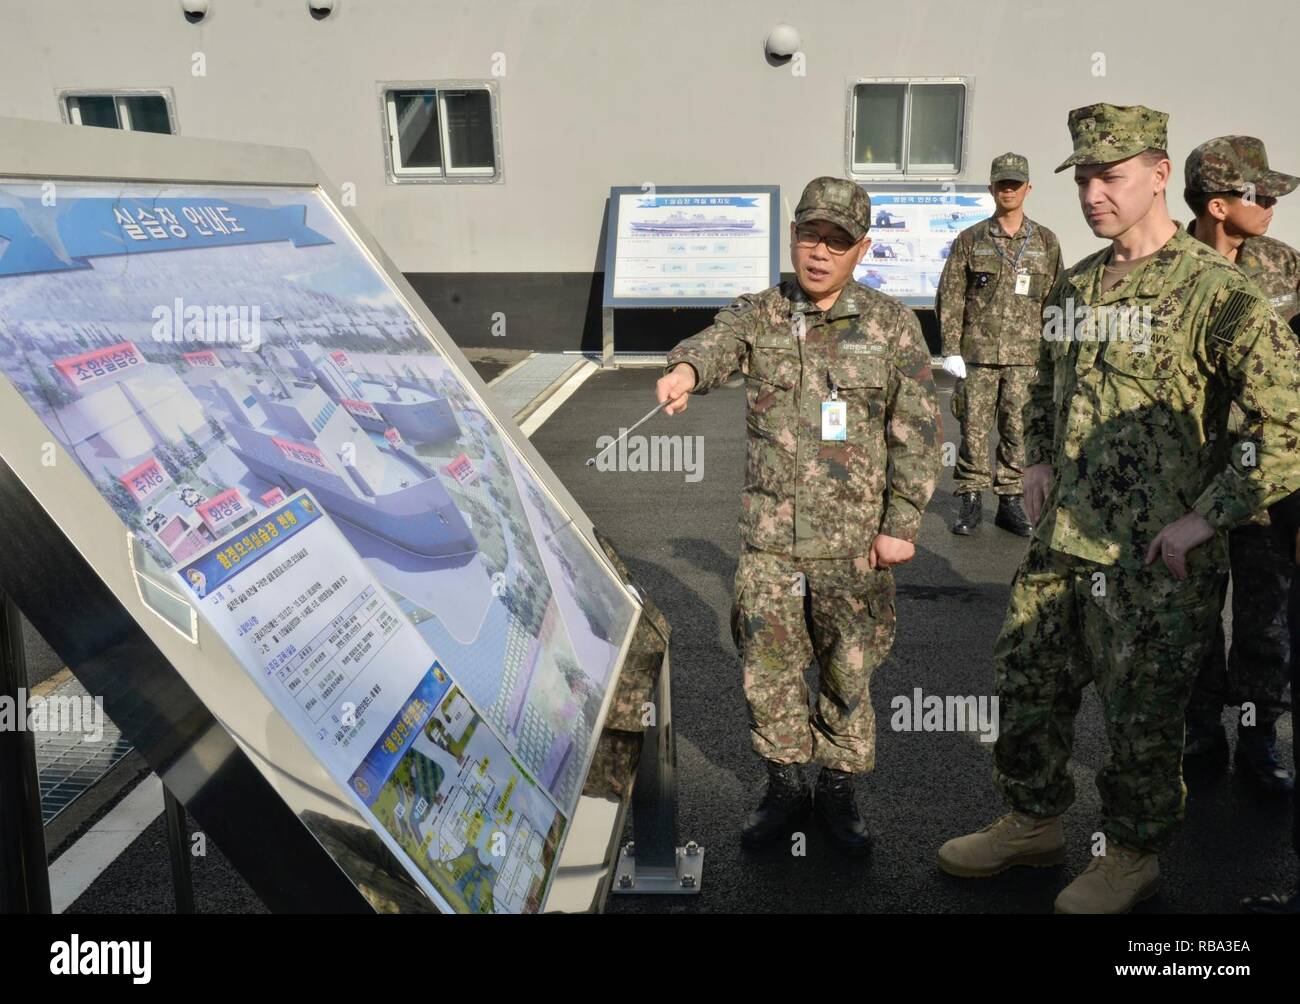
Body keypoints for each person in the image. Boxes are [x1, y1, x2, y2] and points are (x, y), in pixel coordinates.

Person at [935, 103, 1300, 913]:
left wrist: (1209, 516)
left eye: (1112, 176)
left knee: (1143, 714)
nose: (1094, 193)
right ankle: (1032, 821)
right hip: (1065, 543)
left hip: (1155, 557)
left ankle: (1132, 854)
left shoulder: (1218, 293)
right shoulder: (1076, 282)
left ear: (1161, 175)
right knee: (1026, 680)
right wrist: (1031, 455)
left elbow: (1286, 418)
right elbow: (1037, 374)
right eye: (1085, 178)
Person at [656, 177, 940, 854]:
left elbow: (918, 432)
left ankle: (838, 787)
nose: (819, 252)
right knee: (769, 672)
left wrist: (900, 527)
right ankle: (785, 782)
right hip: (771, 546)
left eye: (837, 241)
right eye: (810, 235)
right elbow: (716, 343)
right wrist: (685, 372)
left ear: (862, 249)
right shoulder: (761, 313)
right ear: (793, 237)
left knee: (849, 671)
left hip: (853, 550)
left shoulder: (891, 326)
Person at [1180, 136, 1300, 794]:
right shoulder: (1166, 272)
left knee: (1263, 621)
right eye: (1262, 193)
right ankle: (1200, 729)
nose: (1276, 201)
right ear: (1220, 205)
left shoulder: (1285, 268)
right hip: (1190, 478)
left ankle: (1257, 740)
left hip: (1263, 481)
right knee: (1193, 618)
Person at [937, 152, 1062, 537]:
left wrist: (1054, 352)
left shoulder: (1045, 241)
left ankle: (1010, 499)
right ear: (991, 188)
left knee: (1018, 429)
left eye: (1015, 183)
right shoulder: (971, 240)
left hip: (1026, 358)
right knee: (973, 428)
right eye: (1001, 183)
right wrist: (950, 348)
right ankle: (971, 497)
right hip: (977, 355)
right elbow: (951, 295)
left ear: (1028, 188)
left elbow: (1057, 299)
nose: (1008, 189)